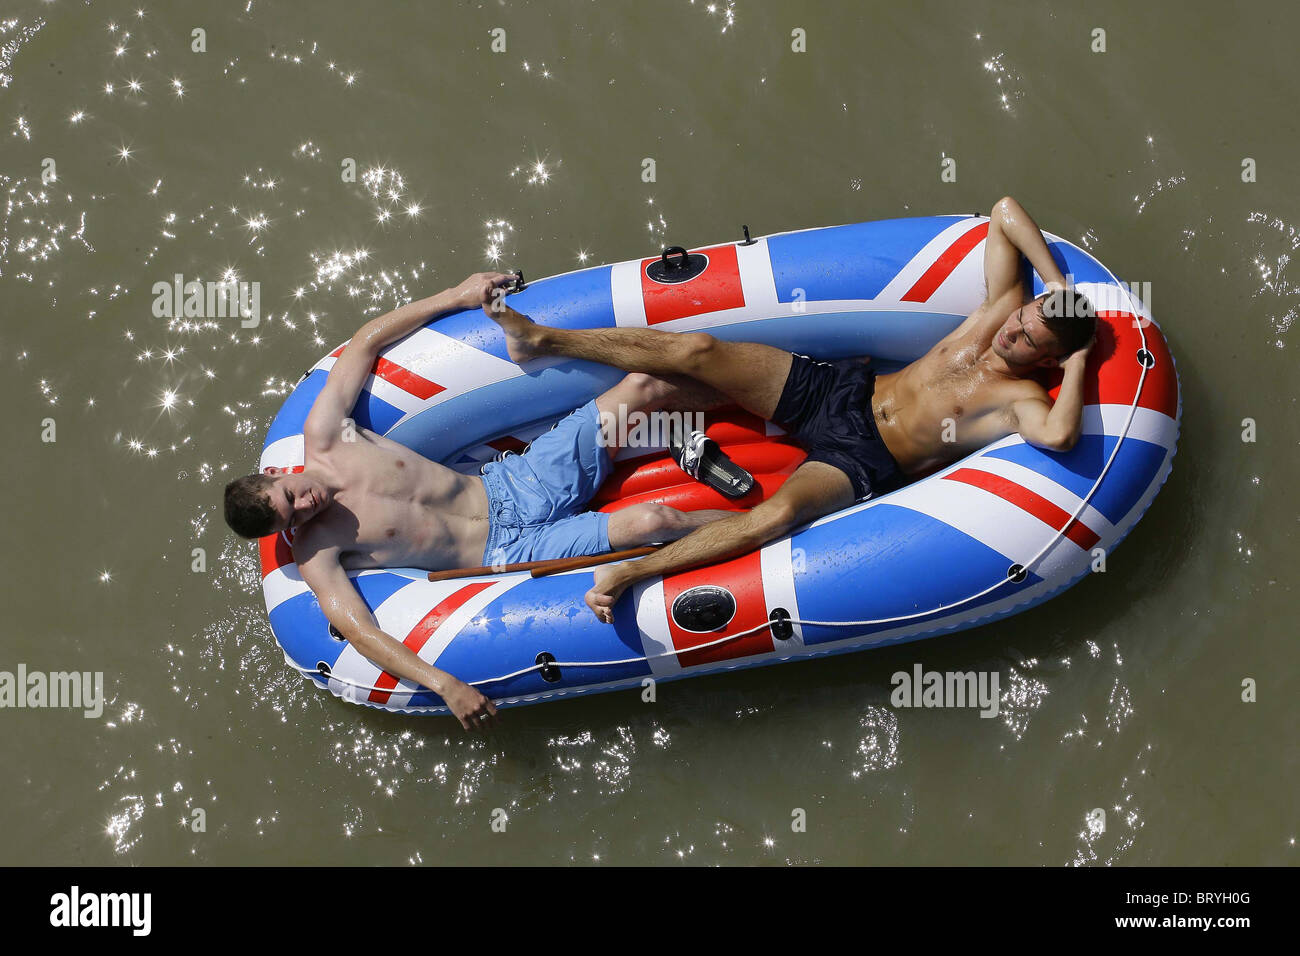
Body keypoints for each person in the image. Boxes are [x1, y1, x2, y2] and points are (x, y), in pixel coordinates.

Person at [483, 196, 1098, 622]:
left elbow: (1061, 436)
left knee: (774, 517)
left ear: (1047, 360)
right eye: (1024, 318)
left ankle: (627, 574)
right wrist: (1057, 284)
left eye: (1028, 339)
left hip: (863, 457)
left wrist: (1078, 365)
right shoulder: (1000, 311)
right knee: (697, 350)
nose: (1012, 331)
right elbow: (1004, 213)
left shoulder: (1021, 399)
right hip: (842, 390)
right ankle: (543, 338)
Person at [224, 272, 734, 730]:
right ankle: (765, 525)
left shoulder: (328, 433)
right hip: (509, 551)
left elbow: (364, 341)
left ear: (276, 474)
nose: (308, 503)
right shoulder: (319, 551)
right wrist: (445, 685)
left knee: (642, 385)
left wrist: (455, 294)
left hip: (515, 481)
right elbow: (360, 632)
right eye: (295, 516)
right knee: (652, 520)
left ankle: (757, 388)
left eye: (292, 494)